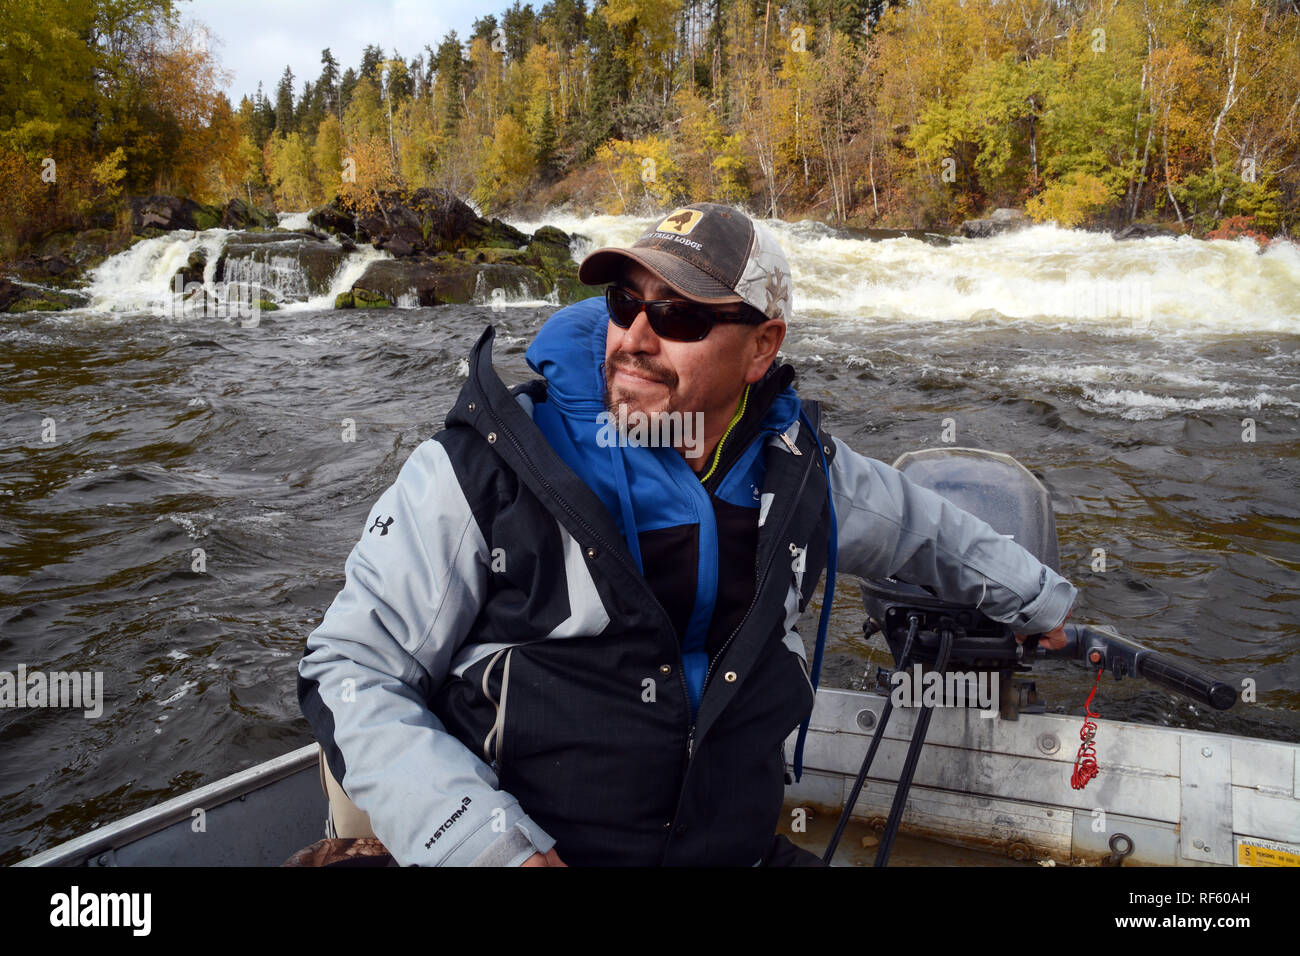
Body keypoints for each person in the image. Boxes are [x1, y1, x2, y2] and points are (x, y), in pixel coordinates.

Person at [296, 202, 1076, 867]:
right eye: (623, 304)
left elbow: (921, 531)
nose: (636, 335)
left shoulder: (799, 473)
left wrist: (1039, 602)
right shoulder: (483, 470)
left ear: (762, 348)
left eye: (678, 315)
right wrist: (481, 844)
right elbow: (351, 667)